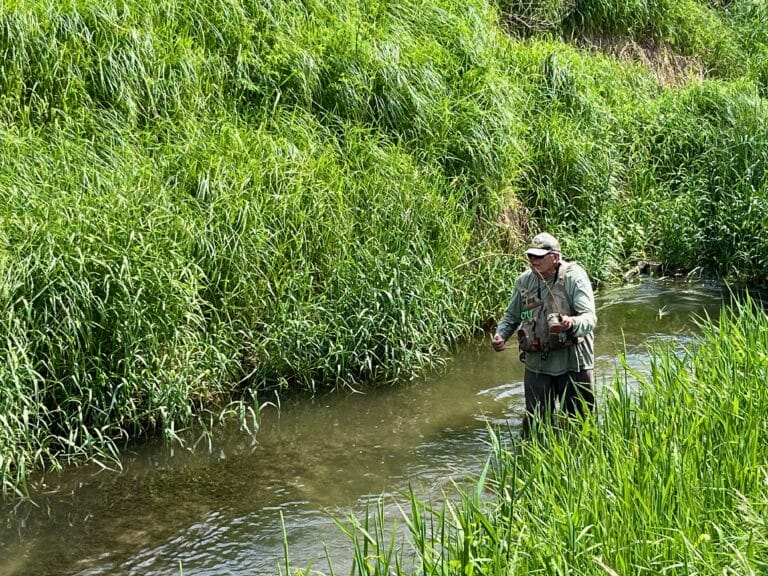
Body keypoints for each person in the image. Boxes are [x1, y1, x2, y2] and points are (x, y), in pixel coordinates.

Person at [491, 232, 597, 436]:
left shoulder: (574, 278)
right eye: (531, 256)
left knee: (579, 425)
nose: (533, 260)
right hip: (537, 364)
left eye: (539, 256)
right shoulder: (524, 281)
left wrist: (571, 322)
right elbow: (511, 316)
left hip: (573, 363)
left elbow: (590, 319)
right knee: (536, 425)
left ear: (555, 257)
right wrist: (501, 335)